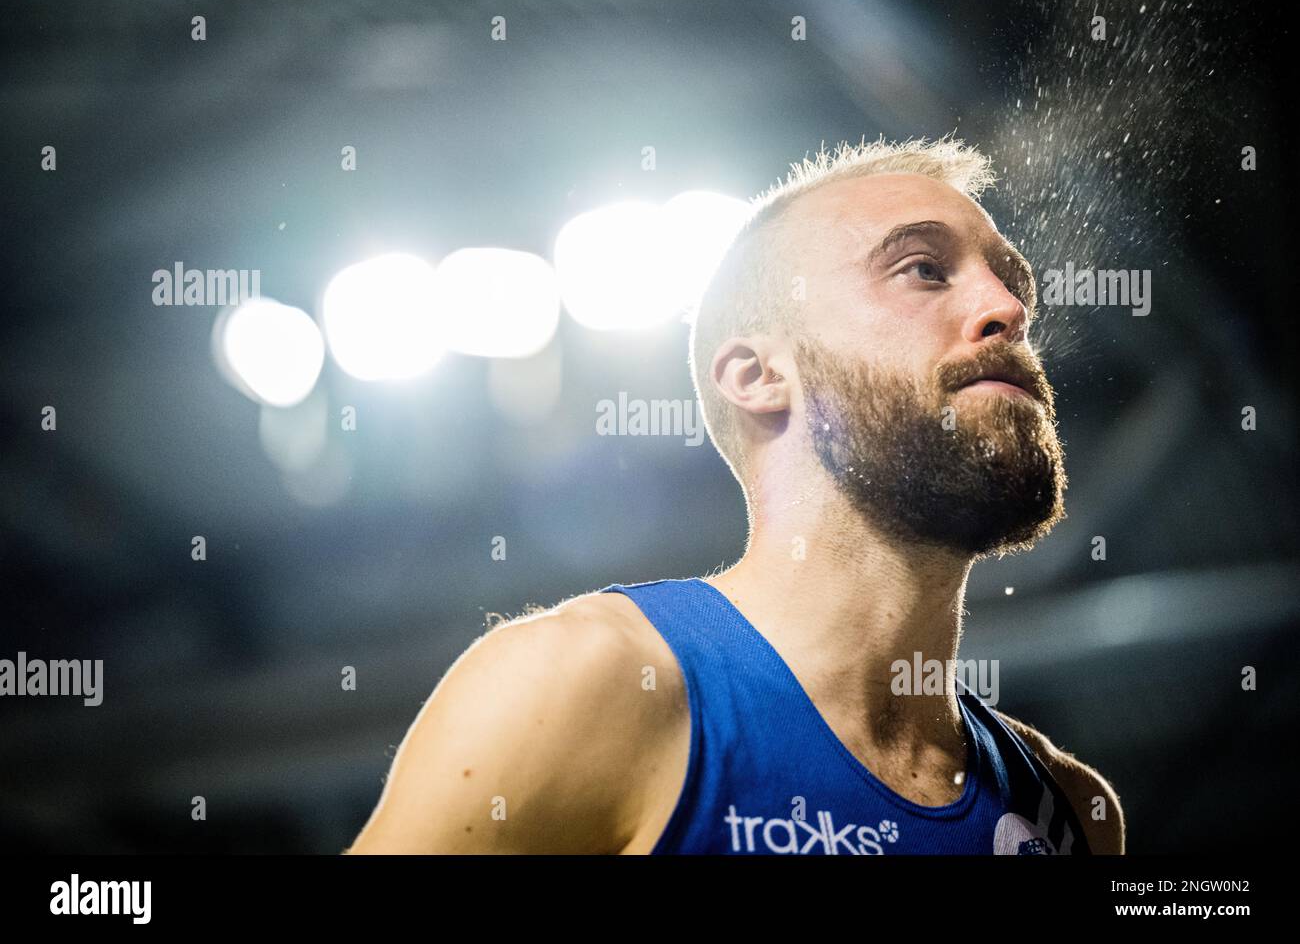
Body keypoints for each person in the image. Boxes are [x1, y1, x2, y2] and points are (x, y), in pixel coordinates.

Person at [347, 136, 1125, 855]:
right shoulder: (583, 684)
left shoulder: (1074, 811)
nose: (1009, 310)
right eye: (923, 268)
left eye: (1011, 281)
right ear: (759, 377)